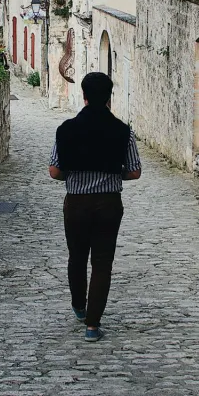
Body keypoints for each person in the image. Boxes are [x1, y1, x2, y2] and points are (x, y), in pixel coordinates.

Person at [48, 72, 142, 342]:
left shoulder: (66, 130)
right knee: (102, 262)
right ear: (109, 98)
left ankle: (79, 306)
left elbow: (54, 171)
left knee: (76, 257)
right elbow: (134, 171)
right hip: (108, 204)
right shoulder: (123, 131)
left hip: (76, 203)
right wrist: (112, 174)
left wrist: (73, 176)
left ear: (84, 96)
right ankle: (92, 325)